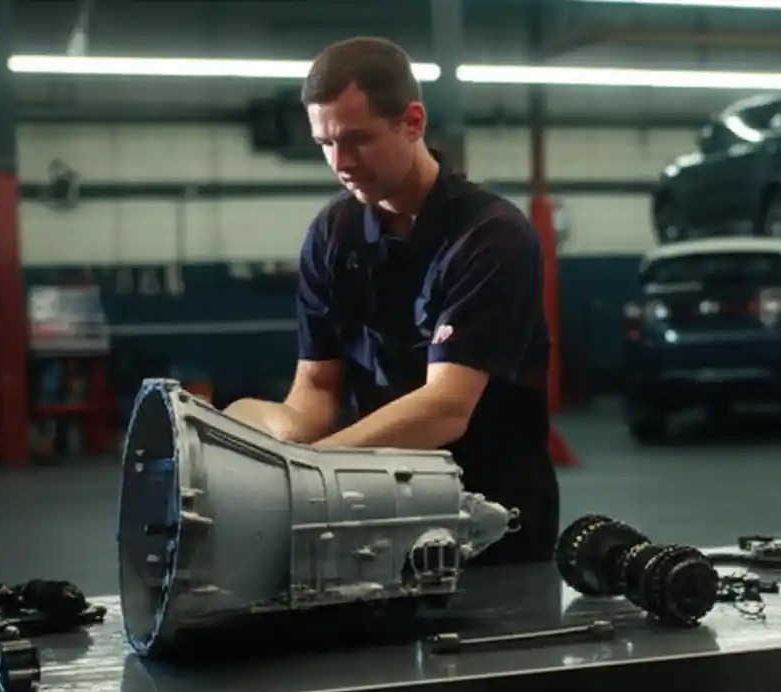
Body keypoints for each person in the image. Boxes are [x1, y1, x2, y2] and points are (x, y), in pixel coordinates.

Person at [224, 36, 559, 566]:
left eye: (358, 139)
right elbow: (316, 385)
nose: (341, 161)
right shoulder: (334, 233)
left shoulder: (491, 236)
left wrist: (310, 470)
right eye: (325, 143)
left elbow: (445, 409)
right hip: (378, 509)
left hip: (492, 517)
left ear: (413, 121)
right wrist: (260, 436)